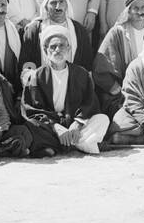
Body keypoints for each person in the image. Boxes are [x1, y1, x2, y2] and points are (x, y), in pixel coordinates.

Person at [20, 26, 111, 156]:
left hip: (74, 124)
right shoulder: (36, 76)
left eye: (62, 46)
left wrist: (78, 123)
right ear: (46, 50)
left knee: (102, 119)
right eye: (53, 47)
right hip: (49, 126)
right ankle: (80, 143)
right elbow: (31, 110)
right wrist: (56, 127)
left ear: (68, 49)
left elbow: (90, 103)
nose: (57, 50)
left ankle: (63, 144)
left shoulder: (81, 73)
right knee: (31, 125)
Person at [19, 0, 95, 71]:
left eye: (61, 2)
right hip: (42, 81)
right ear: (46, 7)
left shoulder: (79, 30)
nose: (58, 7)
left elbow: (86, 62)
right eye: (53, 3)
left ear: (67, 6)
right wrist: (31, 80)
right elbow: (27, 61)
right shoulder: (34, 30)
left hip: (72, 82)